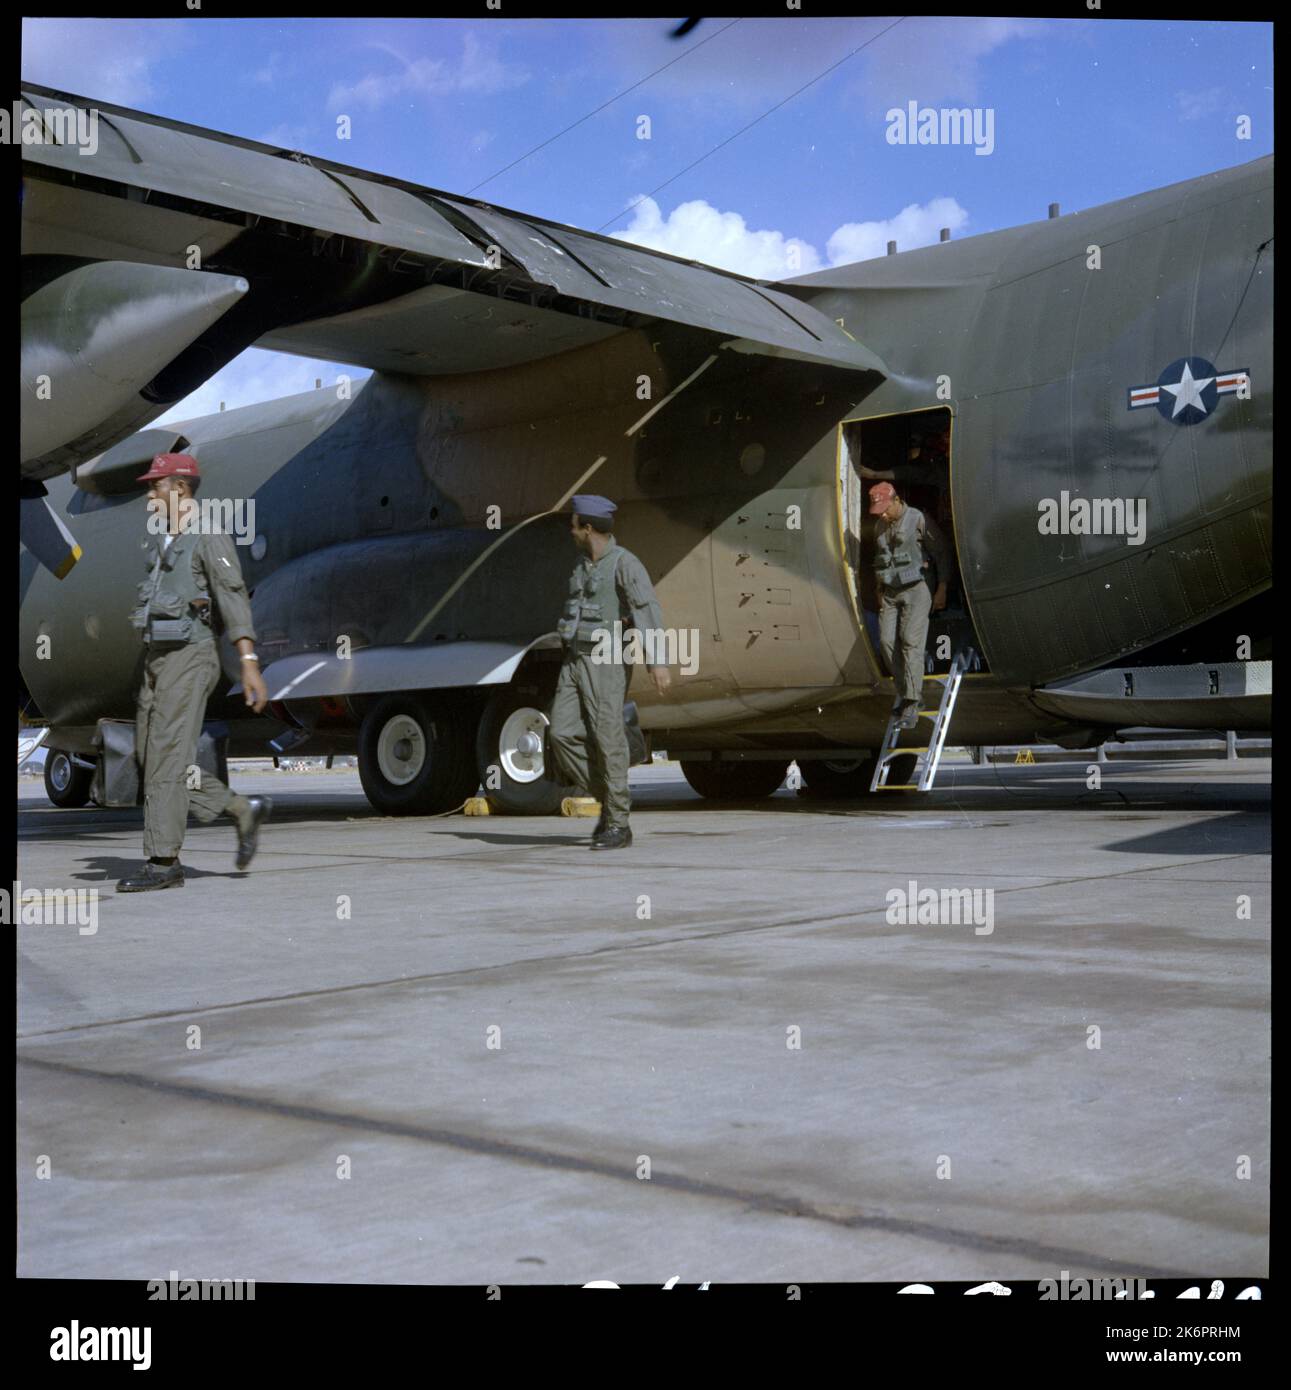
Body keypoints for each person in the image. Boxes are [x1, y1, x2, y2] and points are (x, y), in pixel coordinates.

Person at [117, 453, 272, 892]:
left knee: (166, 758)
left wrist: (247, 663)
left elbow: (232, 594)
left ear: (180, 490)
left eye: (155, 488)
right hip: (157, 658)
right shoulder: (161, 539)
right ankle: (242, 809)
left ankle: (164, 862)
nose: (149, 498)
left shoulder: (208, 535)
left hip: (190, 656)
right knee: (155, 758)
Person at [547, 495, 670, 850]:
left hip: (605, 658)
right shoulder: (582, 565)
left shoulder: (624, 564)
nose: (570, 530)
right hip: (574, 659)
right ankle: (612, 798)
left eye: (573, 524)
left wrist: (658, 660)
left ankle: (617, 823)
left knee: (607, 737)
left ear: (588, 528)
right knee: (561, 732)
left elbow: (646, 609)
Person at [868, 481, 950, 730]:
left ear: (895, 500)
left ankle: (912, 701)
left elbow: (942, 553)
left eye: (884, 508)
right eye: (878, 510)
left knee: (909, 641)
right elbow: (879, 562)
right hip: (891, 592)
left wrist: (942, 587)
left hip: (918, 588)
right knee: (886, 642)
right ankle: (907, 693)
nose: (882, 514)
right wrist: (879, 590)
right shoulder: (879, 526)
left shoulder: (918, 519)